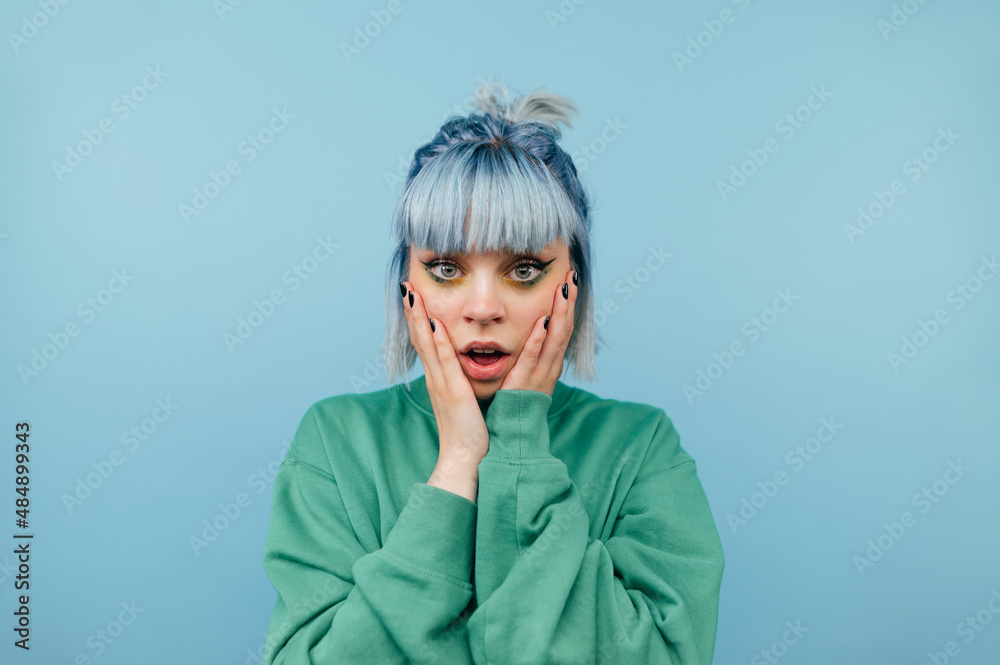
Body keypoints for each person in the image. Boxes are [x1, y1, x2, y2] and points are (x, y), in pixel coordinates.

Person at [260, 81, 725, 664]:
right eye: (447, 267)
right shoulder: (335, 441)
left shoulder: (642, 449)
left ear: (572, 284)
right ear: (407, 284)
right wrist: (456, 465)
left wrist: (523, 446)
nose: (483, 308)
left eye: (525, 268)